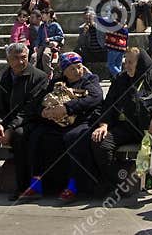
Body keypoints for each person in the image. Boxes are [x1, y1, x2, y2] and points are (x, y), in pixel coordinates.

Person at [91, 47, 152, 202]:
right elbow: (109, 105)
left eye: (131, 62)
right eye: (126, 62)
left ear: (141, 63)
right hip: (127, 127)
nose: (126, 65)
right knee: (101, 143)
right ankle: (118, 183)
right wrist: (103, 124)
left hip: (150, 127)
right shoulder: (120, 80)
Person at [0, 42, 48, 199]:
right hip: (4, 122)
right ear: (8, 60)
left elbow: (30, 109)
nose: (20, 62)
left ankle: (23, 186)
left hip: (27, 123)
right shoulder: (0, 77)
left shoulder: (39, 77)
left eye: (23, 58)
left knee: (20, 136)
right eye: (15, 58)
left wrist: (10, 128)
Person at [24, 52, 103, 201]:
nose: (77, 71)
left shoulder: (90, 80)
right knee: (37, 136)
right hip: (58, 123)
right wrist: (45, 112)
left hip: (82, 121)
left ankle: (74, 186)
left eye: (79, 67)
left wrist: (67, 108)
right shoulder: (57, 82)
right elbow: (38, 102)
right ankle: (37, 184)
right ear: (64, 70)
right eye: (72, 69)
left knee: (72, 137)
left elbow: (95, 98)